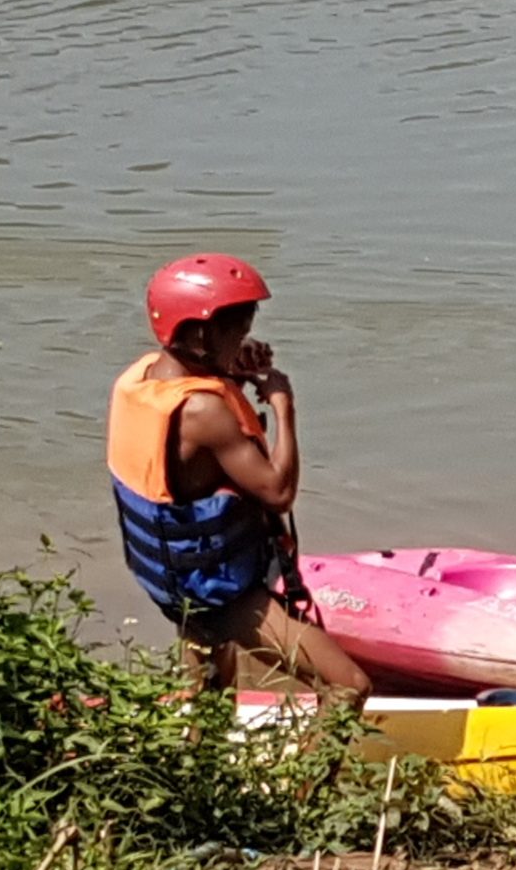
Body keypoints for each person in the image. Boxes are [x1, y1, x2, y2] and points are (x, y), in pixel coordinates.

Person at [107, 253, 370, 702]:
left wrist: (229, 374)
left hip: (176, 583)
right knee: (348, 687)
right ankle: (307, 775)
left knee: (210, 685)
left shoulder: (144, 376)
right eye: (237, 331)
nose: (245, 338)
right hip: (222, 596)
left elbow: (193, 450)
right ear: (199, 334)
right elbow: (278, 491)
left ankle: (198, 765)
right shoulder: (204, 411)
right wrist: (282, 405)